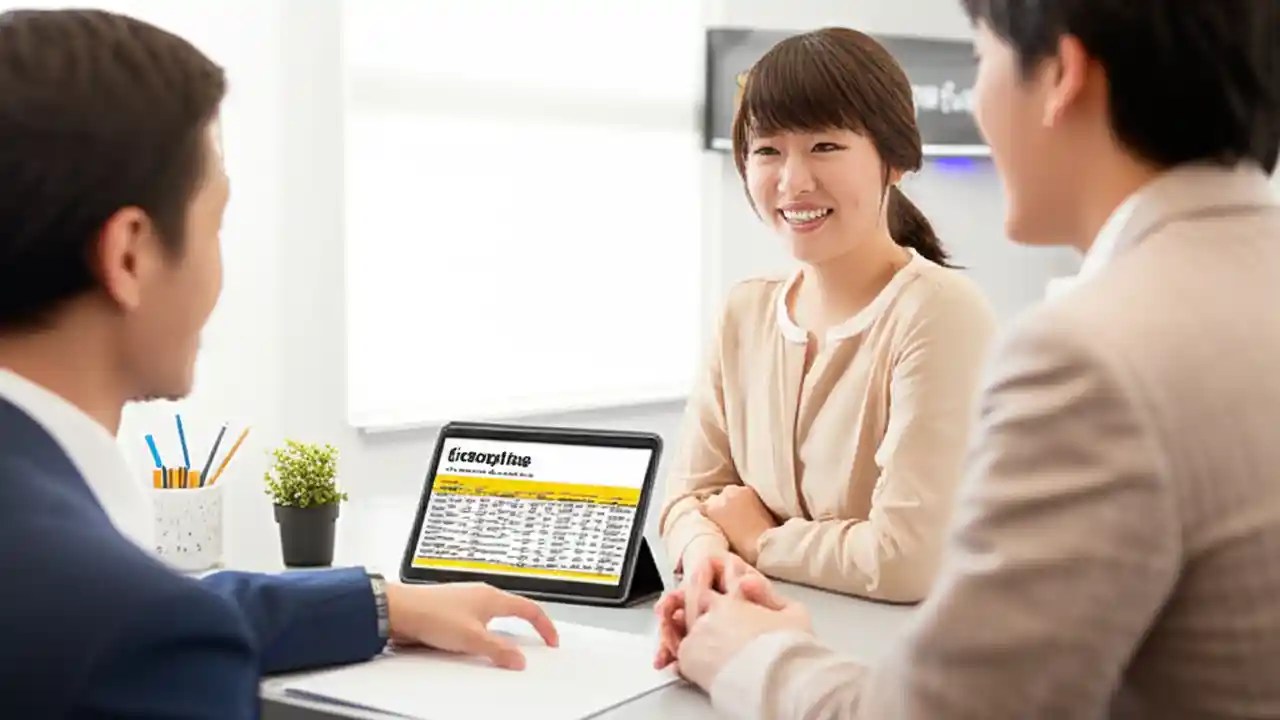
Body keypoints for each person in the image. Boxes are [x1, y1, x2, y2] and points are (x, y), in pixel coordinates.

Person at [663, 1, 1280, 717]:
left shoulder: (1088, 352)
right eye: (768, 150)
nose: (977, 108)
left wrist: (749, 652)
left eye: (981, 60)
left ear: (1062, 76)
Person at [0, 9, 558, 718]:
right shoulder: (124, 632)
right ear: (129, 256)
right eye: (217, 223)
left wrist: (381, 603)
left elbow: (140, 606)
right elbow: (130, 620)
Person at [655, 24, 996, 644]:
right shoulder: (744, 311)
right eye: (767, 151)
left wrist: (759, 539)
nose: (793, 181)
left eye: (825, 147)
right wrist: (708, 552)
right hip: (752, 640)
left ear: (894, 159)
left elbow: (904, 558)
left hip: (890, 668)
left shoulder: (939, 313)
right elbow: (686, 498)